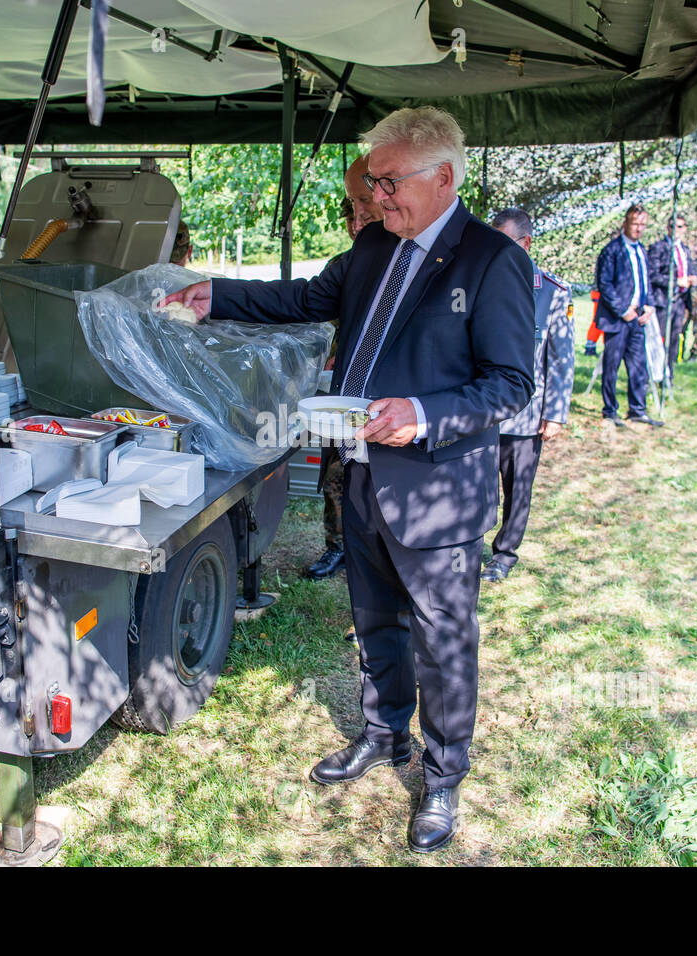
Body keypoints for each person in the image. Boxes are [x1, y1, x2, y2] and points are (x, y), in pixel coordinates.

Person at [164, 107, 535, 853]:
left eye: (388, 181)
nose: (376, 195)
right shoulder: (373, 245)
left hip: (433, 488)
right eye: (372, 181)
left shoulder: (491, 260)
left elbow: (510, 384)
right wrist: (217, 296)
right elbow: (304, 299)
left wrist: (424, 413)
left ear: (442, 178)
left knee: (443, 640)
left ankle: (443, 774)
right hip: (363, 477)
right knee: (374, 620)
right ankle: (383, 732)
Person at [482, 208, 573, 584]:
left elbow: (561, 357)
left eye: (503, 241)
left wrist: (555, 413)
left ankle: (504, 554)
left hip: (526, 414)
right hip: (484, 412)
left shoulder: (552, 292)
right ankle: (471, 546)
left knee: (518, 486)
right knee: (477, 485)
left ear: (526, 243)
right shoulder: (483, 281)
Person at [308, 155, 384, 582]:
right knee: (336, 474)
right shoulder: (344, 265)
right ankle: (336, 545)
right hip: (342, 397)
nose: (356, 222)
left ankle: (366, 552)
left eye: (362, 208)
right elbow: (317, 316)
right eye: (350, 214)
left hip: (383, 406)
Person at [594, 204, 662, 427]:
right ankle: (610, 410)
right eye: (635, 223)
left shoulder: (641, 250)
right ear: (626, 223)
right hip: (617, 320)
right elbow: (605, 284)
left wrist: (649, 305)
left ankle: (637, 410)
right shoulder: (612, 250)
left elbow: (646, 282)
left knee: (638, 366)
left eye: (643, 224)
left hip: (639, 319)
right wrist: (624, 311)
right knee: (611, 366)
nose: (639, 228)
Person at [647, 214, 697, 390]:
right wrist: (675, 281)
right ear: (668, 228)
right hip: (662, 301)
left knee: (673, 340)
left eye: (681, 226)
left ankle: (668, 376)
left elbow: (689, 270)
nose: (677, 229)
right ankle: (650, 377)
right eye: (674, 226)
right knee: (657, 340)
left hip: (680, 302)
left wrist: (692, 279)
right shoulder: (658, 248)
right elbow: (652, 275)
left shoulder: (685, 250)